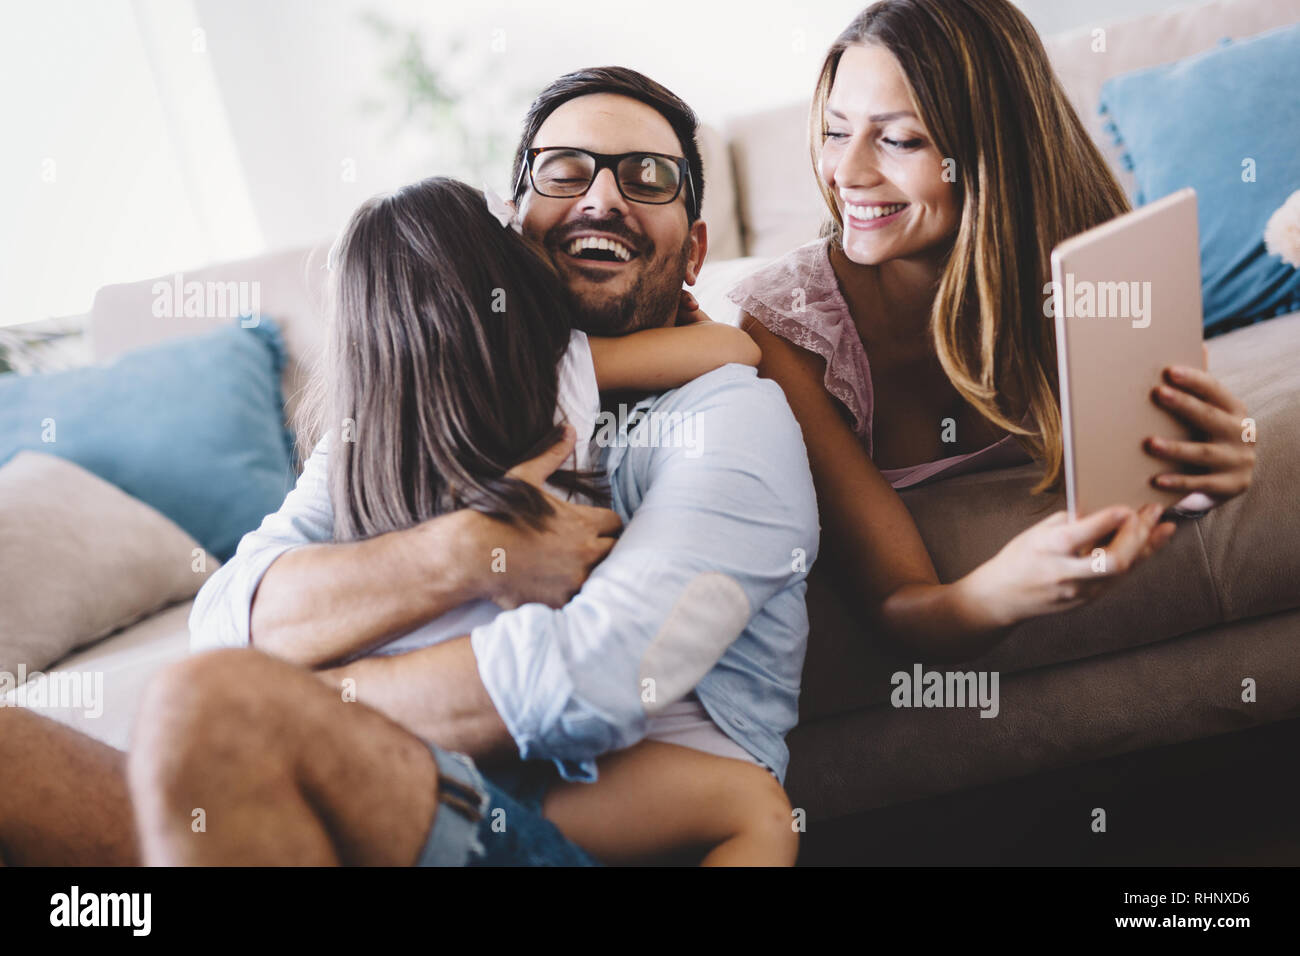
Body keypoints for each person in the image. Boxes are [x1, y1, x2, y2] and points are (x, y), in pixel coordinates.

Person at [119, 67, 819, 867]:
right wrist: (462, 552)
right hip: (392, 788)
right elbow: (225, 622)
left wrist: (285, 713)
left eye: (647, 177)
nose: (602, 198)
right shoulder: (398, 418)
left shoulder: (726, 419)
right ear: (516, 230)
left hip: (549, 814)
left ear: (696, 249)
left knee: (202, 712)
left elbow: (601, 680)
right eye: (565, 170)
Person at [728, 0, 1256, 662]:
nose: (848, 173)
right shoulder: (786, 335)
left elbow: (1165, 463)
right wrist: (1001, 594)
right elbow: (899, 604)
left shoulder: (1097, 268)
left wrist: (1213, 462)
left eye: (899, 138)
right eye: (837, 132)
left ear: (993, 147)